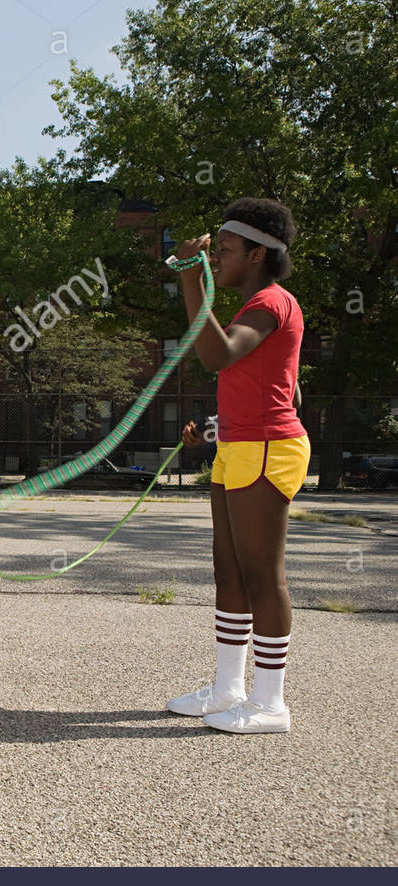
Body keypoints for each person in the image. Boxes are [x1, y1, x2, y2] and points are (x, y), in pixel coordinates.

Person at [165, 198, 309, 733]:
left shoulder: (273, 302)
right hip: (241, 446)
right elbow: (259, 386)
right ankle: (229, 688)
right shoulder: (256, 306)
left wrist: (189, 278)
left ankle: (271, 702)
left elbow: (219, 356)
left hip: (270, 449)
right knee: (228, 569)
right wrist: (210, 430)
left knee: (260, 575)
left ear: (257, 253)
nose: (216, 258)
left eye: (225, 250)